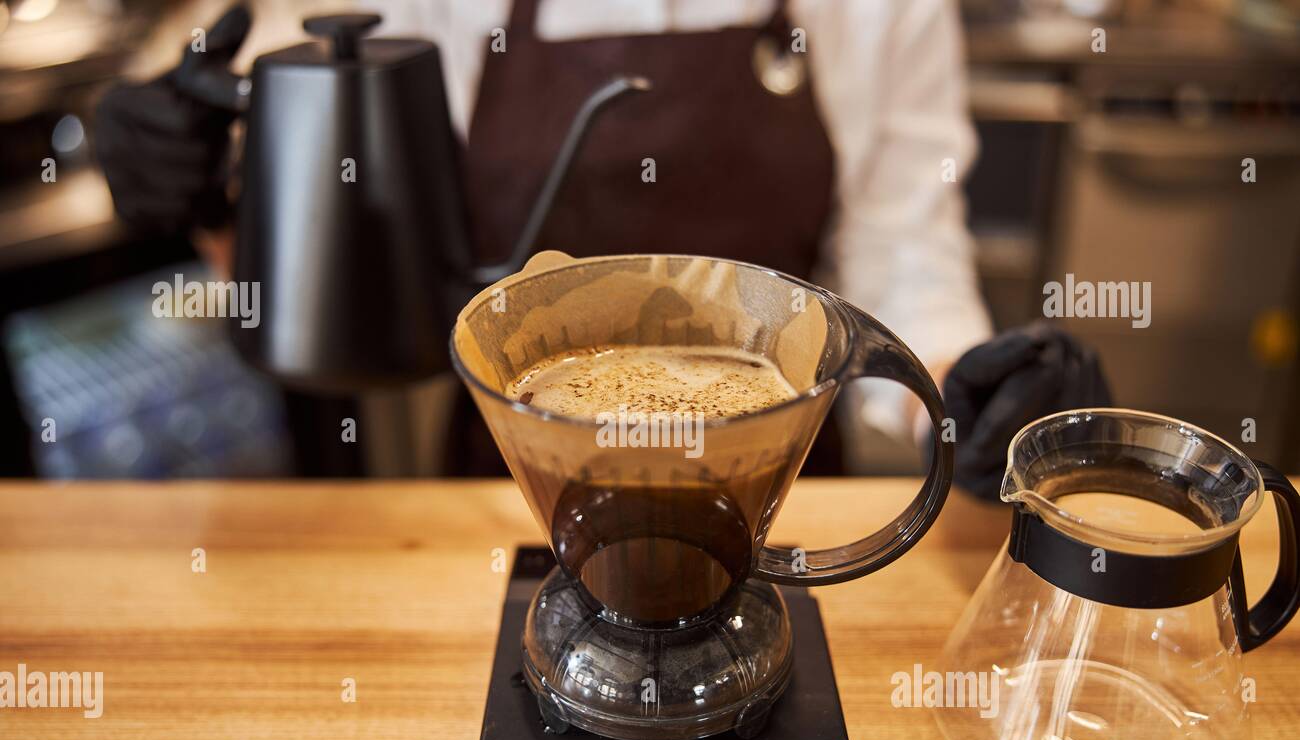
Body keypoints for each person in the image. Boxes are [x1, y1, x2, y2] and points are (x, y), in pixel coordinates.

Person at [95, 0, 1108, 495]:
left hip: (780, 495)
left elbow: (903, 263)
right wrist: (215, 189)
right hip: (506, 498)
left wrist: (973, 398)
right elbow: (323, 250)